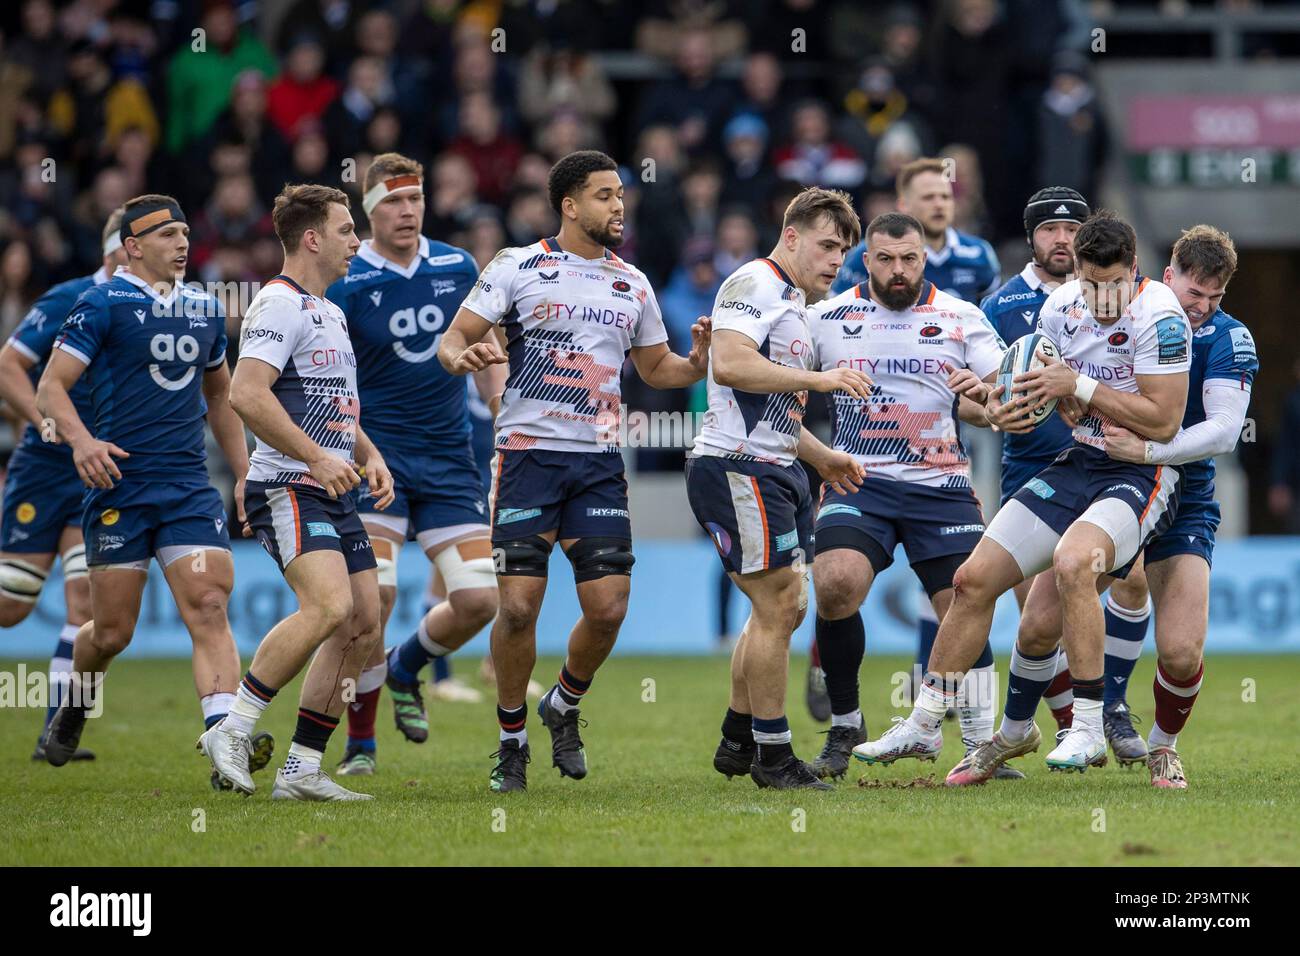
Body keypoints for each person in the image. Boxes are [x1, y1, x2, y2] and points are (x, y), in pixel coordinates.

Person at [853, 212, 1191, 783]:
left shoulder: (1161, 315)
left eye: (1114, 285)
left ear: (1134, 271)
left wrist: (1078, 386)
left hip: (1140, 474)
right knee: (972, 579)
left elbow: (1164, 421)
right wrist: (998, 399)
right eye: (1091, 284)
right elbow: (1046, 397)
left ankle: (1085, 727)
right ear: (1075, 275)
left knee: (1073, 562)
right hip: (1077, 462)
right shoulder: (1060, 307)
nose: (1103, 298)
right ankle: (925, 720)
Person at [438, 150, 709, 793]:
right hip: (527, 457)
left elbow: (655, 370)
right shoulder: (516, 265)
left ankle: (562, 702)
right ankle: (510, 742)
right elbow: (453, 341)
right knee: (519, 606)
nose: (619, 205)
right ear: (569, 204)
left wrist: (696, 362)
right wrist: (464, 356)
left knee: (609, 608)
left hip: (597, 462)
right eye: (605, 195)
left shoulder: (633, 283)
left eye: (621, 195)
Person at [37, 195, 267, 784]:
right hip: (120, 486)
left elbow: (220, 396)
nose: (182, 243)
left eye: (186, 232)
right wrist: (84, 443)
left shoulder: (205, 307)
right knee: (112, 631)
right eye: (167, 234)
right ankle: (73, 706)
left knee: (209, 605)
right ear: (133, 246)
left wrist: (243, 471)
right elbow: (51, 390)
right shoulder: (102, 303)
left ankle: (224, 744)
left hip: (188, 485)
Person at [200, 183, 394, 801]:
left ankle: (302, 769)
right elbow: (246, 394)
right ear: (311, 238)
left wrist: (369, 455)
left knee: (364, 623)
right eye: (346, 230)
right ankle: (233, 728)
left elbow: (331, 403)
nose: (357, 241)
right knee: (330, 607)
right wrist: (315, 457)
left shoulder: (329, 310)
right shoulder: (278, 305)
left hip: (332, 486)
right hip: (288, 484)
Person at [804, 211, 1012, 781]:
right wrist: (817, 456)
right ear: (865, 261)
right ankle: (846, 726)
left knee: (967, 604)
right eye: (886, 259)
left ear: (924, 259)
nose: (899, 270)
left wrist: (990, 396)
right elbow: (777, 390)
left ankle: (978, 747)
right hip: (859, 480)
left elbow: (1004, 399)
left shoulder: (961, 316)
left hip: (940, 486)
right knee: (835, 583)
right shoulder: (826, 317)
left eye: (910, 259)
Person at [324, 152, 505, 776]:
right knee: (372, 600)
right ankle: (361, 744)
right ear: (369, 212)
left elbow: (491, 347)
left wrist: (501, 411)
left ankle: (405, 669)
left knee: (481, 600)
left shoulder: (459, 266)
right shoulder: (346, 283)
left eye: (415, 200)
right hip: (378, 464)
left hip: (451, 460)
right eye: (392, 203)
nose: (407, 212)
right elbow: (328, 377)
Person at [689, 186, 869, 791]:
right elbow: (730, 364)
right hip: (739, 466)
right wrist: (819, 378)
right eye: (825, 245)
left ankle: (739, 738)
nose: (834, 261)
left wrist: (823, 458)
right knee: (779, 606)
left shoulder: (791, 300)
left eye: (842, 252)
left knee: (780, 608)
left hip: (775, 465)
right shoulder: (755, 283)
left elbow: (773, 411)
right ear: (790, 235)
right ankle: (773, 755)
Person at [982, 187, 1155, 763]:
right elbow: (993, 391)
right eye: (1049, 229)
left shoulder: (1140, 307)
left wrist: (1081, 397)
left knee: (1123, 580)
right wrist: (990, 406)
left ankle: (1109, 709)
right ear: (1031, 238)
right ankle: (1065, 724)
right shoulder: (1002, 306)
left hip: (1110, 467)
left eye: (1072, 228)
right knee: (1040, 615)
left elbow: (1152, 403)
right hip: (1036, 467)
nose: (1062, 237)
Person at [1100, 224, 1256, 789]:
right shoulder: (1127, 313)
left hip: (1185, 498)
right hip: (1108, 479)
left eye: (1216, 297)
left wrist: (1149, 448)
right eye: (1195, 294)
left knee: (1183, 652)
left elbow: (1222, 434)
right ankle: (1045, 725)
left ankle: (1163, 747)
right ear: (1170, 276)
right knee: (1043, 616)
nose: (1203, 307)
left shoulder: (1230, 338)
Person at [0, 208, 125, 761]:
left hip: (94, 475)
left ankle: (56, 731)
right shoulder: (68, 298)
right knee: (13, 605)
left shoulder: (154, 309)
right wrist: (44, 421)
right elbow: (8, 363)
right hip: (45, 470)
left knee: (85, 602)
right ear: (116, 250)